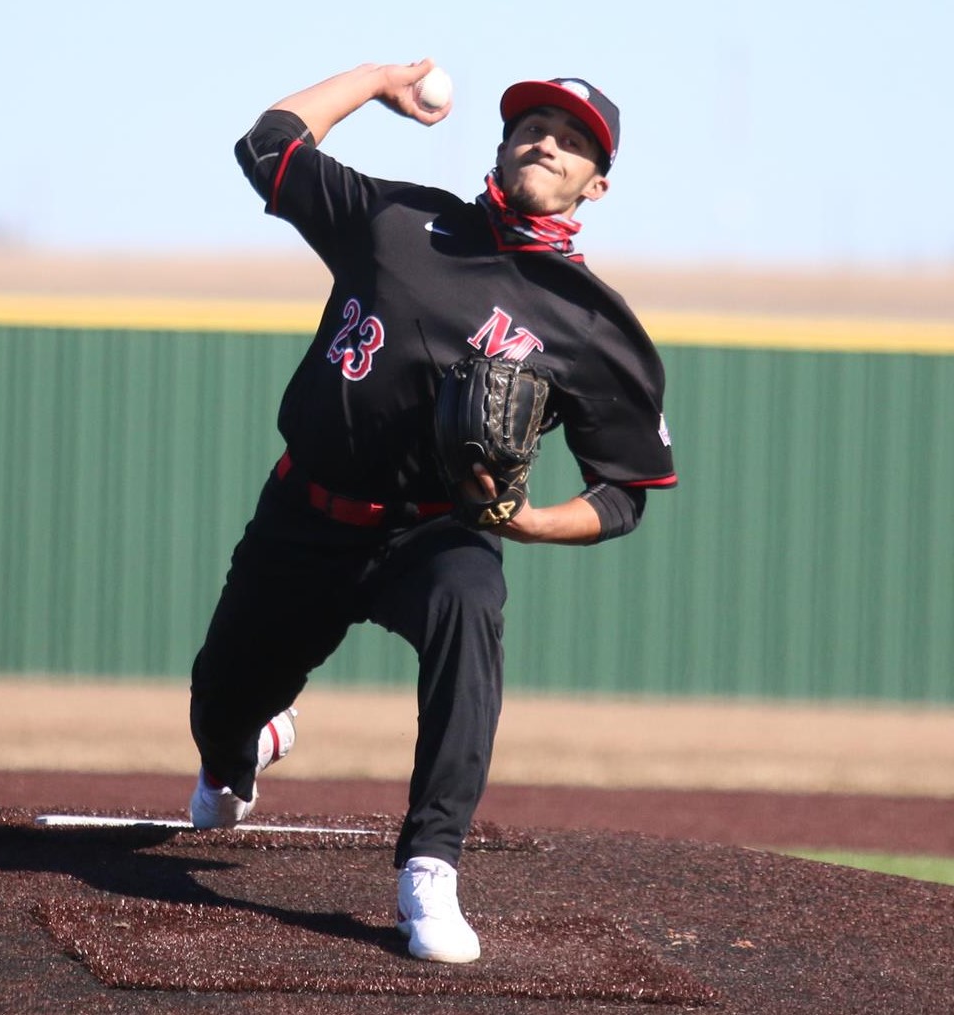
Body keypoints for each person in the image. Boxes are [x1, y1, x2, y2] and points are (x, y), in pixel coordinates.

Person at [188, 60, 677, 964]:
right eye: (533, 125)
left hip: (432, 531)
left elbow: (626, 493)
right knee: (216, 723)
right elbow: (266, 145)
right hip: (305, 513)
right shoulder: (402, 222)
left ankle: (430, 864)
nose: (547, 142)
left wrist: (529, 523)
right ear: (499, 144)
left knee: (470, 604)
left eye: (572, 141)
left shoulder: (592, 326)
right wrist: (376, 81)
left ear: (595, 185)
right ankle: (242, 743)